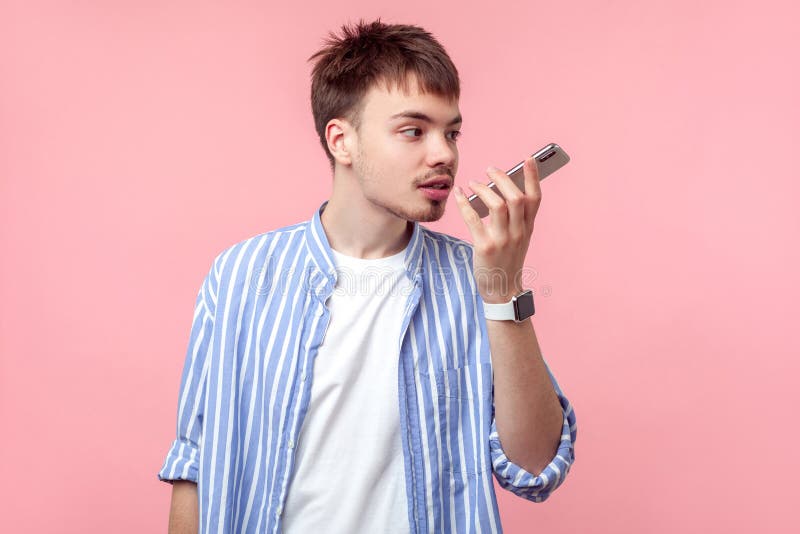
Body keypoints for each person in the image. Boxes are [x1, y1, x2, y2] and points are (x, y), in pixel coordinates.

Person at [158, 18, 577, 534]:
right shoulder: (241, 276)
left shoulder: (476, 280)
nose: (444, 153)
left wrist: (502, 290)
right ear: (342, 141)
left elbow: (536, 468)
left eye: (451, 132)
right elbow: (195, 464)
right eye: (413, 130)